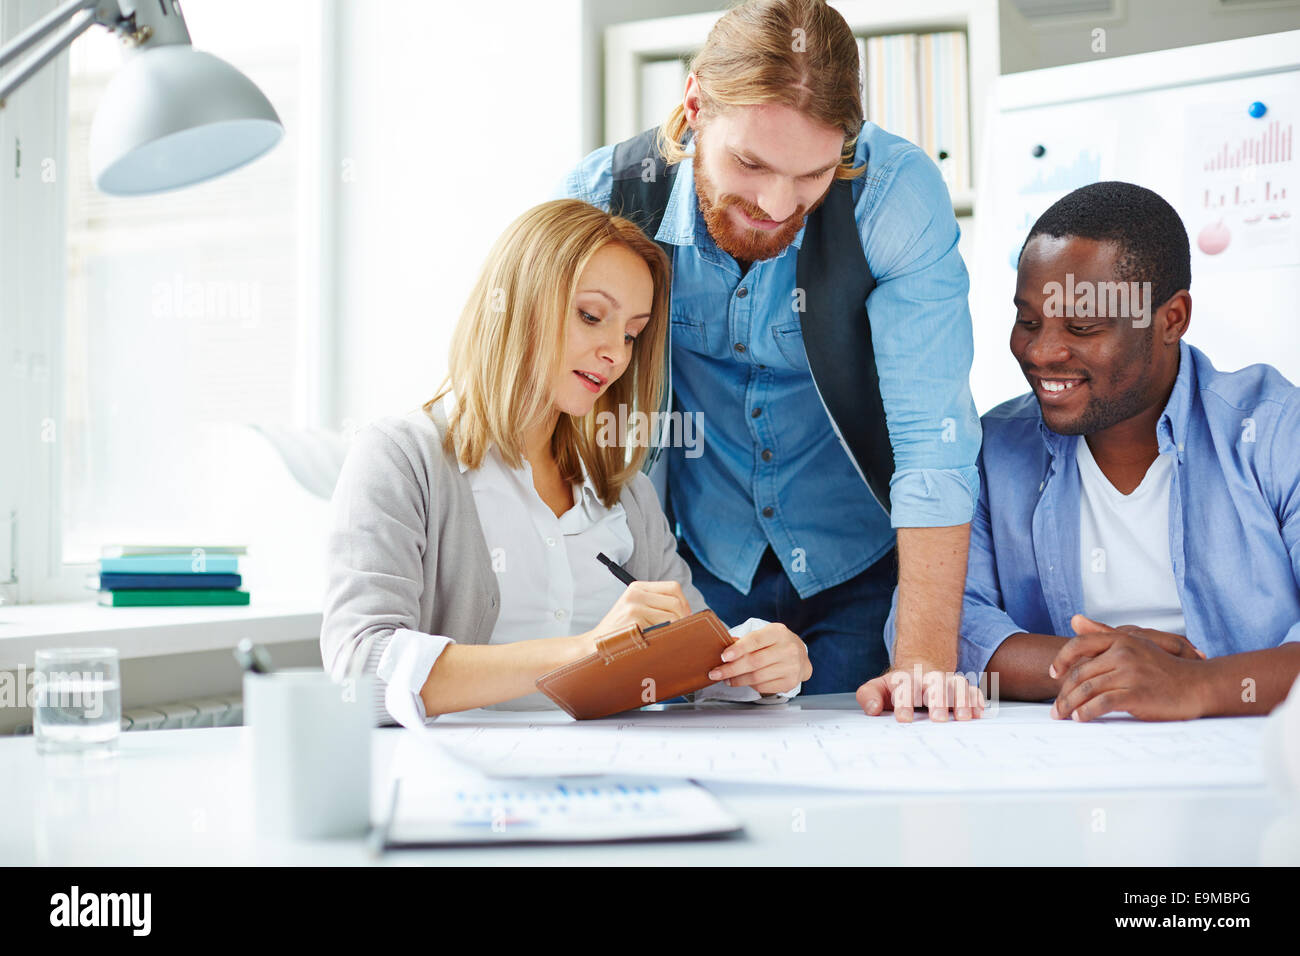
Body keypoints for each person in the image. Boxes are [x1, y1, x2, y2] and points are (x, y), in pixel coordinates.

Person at [559, 0, 983, 720]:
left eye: (813, 175)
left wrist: (921, 667)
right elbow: (561, 420)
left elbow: (933, 441)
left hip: (865, 569)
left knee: (865, 782)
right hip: (694, 569)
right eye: (749, 163)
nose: (777, 204)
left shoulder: (895, 198)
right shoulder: (606, 198)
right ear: (694, 105)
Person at [319, 199, 810, 726]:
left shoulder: (627, 493)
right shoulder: (400, 459)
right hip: (474, 790)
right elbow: (357, 673)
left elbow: (689, 664)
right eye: (591, 316)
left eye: (631, 333)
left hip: (617, 784)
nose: (616, 355)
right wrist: (585, 651)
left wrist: (755, 664)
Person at [917, 180, 1300, 720]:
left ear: (1172, 319)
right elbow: (933, 626)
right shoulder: (992, 450)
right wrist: (1109, 669)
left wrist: (1195, 685)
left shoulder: (1275, 430)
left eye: (1082, 326)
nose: (1043, 351)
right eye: (1028, 322)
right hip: (1067, 760)